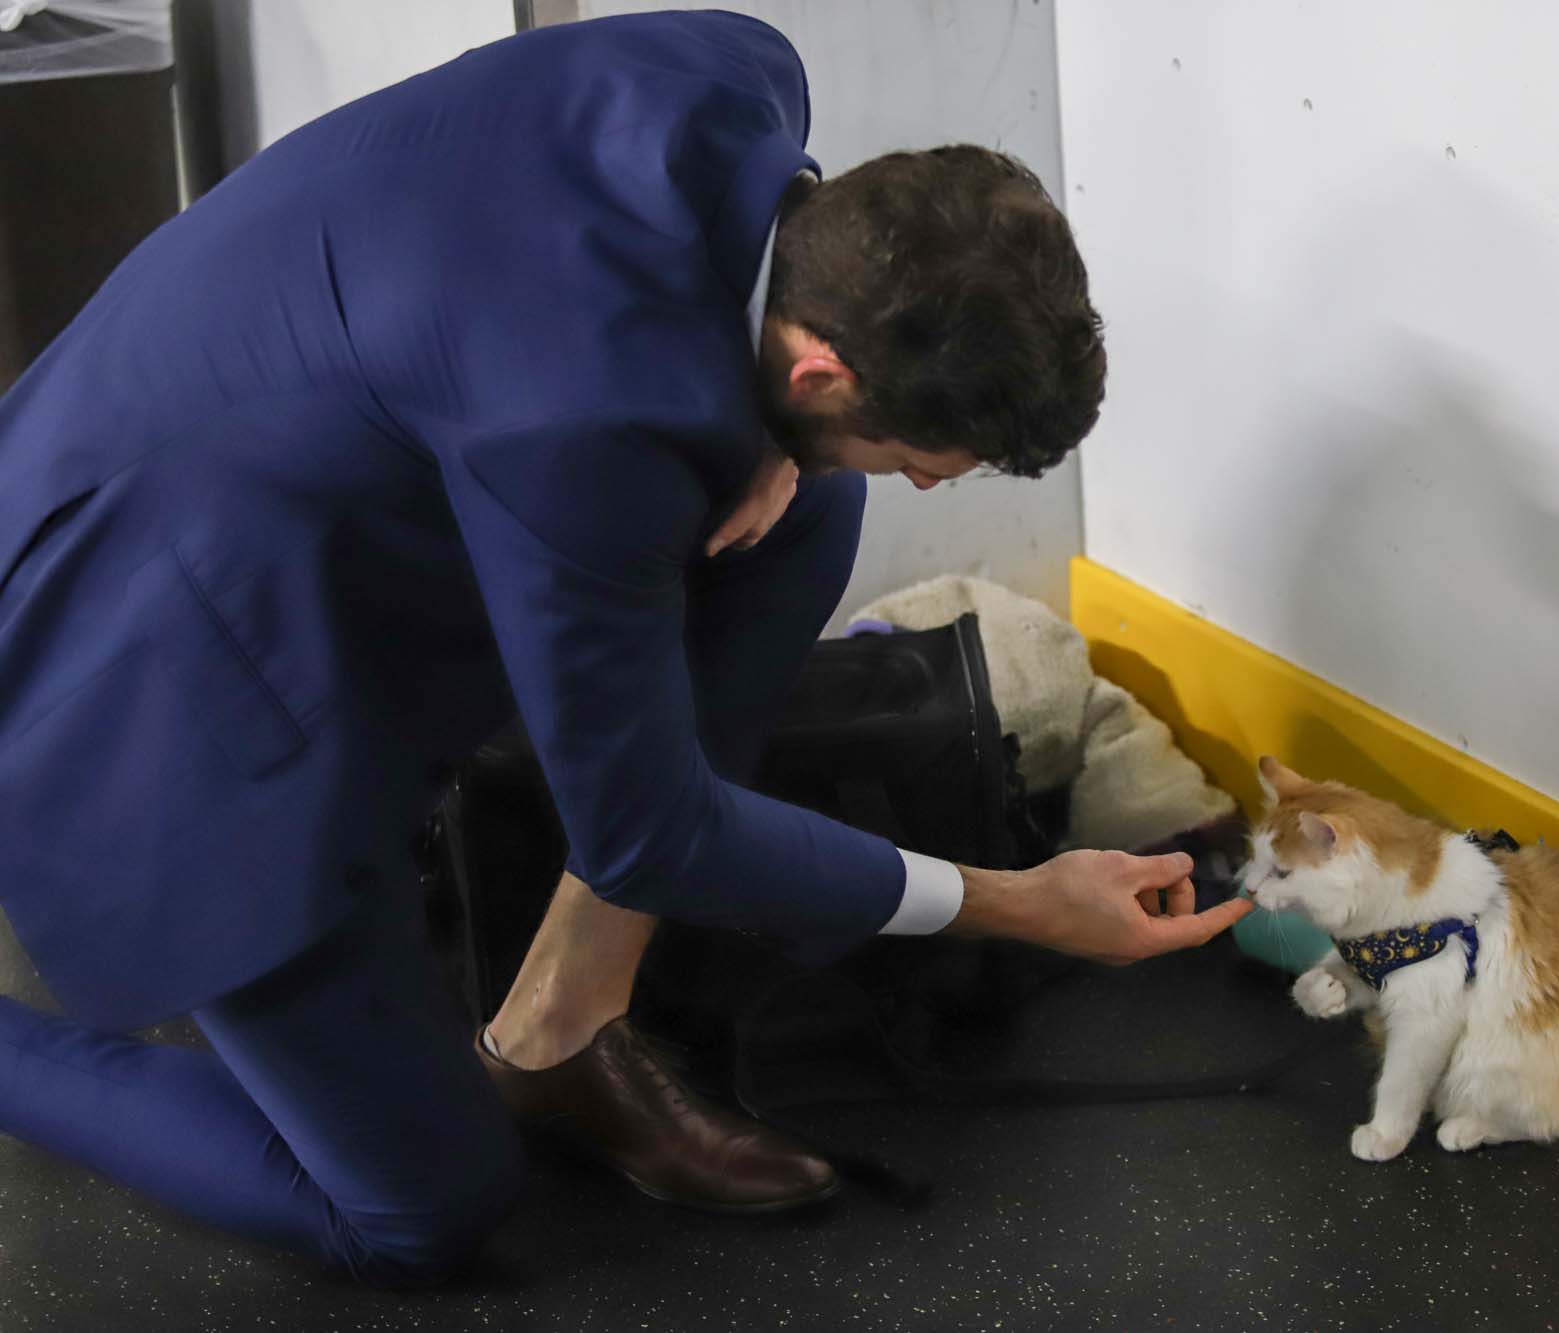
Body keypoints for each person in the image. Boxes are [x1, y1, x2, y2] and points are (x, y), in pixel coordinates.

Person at [0, 10, 1252, 1288]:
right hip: (135, 672)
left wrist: (784, 436)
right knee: (421, 1207)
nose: (931, 490)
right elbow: (649, 836)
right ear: (821, 365)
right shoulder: (577, 432)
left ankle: (553, 1027)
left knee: (813, 500)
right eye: (922, 459)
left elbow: (713, 355)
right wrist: (1016, 902)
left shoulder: (731, 70)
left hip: (270, 470)